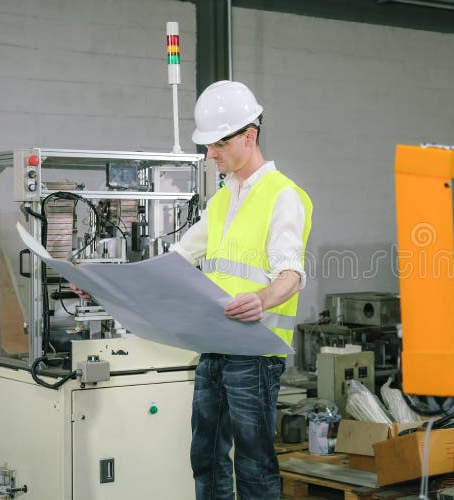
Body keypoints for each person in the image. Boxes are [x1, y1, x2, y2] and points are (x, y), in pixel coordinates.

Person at [174, 80, 313, 499]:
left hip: (254, 352)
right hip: (214, 346)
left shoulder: (283, 195)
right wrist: (109, 282)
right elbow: (177, 257)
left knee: (253, 466)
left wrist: (262, 300)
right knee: (205, 457)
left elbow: (292, 273)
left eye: (218, 144)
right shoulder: (221, 199)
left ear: (249, 137)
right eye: (208, 145)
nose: (210, 154)